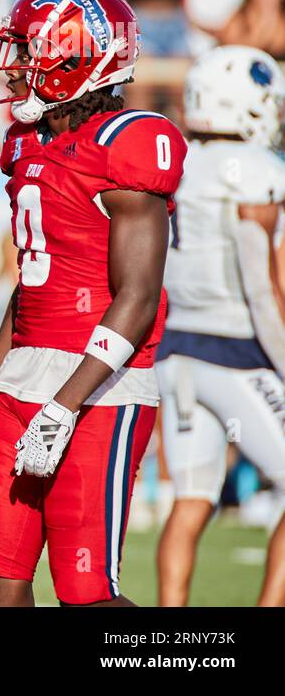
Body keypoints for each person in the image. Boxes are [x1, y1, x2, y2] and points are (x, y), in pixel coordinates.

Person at [0, 0, 187, 606]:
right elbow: (32, 282)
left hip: (101, 386)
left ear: (77, 57)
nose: (17, 68)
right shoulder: (28, 143)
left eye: (30, 52)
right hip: (21, 378)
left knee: (85, 594)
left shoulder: (129, 142)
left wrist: (65, 403)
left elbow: (137, 298)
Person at [155, 46, 285, 607]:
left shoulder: (178, 160)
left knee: (192, 498)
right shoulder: (259, 170)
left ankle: (167, 634)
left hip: (175, 349)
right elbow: (261, 284)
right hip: (234, 350)